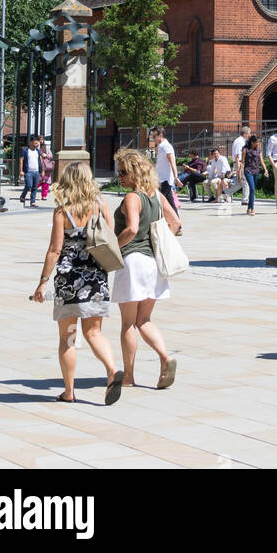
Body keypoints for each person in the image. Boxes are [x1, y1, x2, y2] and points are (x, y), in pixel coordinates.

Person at [31, 161, 122, 405]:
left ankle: (69, 391)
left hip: (69, 280)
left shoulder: (62, 211)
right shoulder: (100, 205)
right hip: (96, 276)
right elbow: (109, 237)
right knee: (94, 332)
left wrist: (42, 283)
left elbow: (54, 249)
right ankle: (112, 369)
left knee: (68, 337)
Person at [112, 149, 181, 390]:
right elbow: (176, 222)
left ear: (134, 172)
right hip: (154, 263)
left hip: (132, 261)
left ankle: (129, 376)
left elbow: (131, 229)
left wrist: (111, 248)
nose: (119, 177)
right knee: (145, 320)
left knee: (128, 324)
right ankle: (165, 356)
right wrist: (159, 240)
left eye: (122, 172)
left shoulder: (133, 197)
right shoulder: (157, 196)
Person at [151, 126, 182, 208]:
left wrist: (176, 177)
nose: (153, 138)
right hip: (160, 180)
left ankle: (175, 220)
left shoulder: (166, 146)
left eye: (154, 136)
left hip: (165, 181)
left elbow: (172, 162)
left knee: (165, 205)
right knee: (165, 205)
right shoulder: (161, 146)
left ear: (160, 135)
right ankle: (173, 219)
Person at [241, 135, 268, 215]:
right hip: (248, 171)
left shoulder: (258, 150)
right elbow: (242, 162)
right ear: (252, 142)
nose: (258, 144)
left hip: (256, 171)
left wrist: (265, 169)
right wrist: (239, 173)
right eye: (257, 142)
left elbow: (261, 161)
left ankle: (249, 207)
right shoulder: (245, 150)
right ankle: (252, 208)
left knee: (252, 190)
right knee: (252, 189)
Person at [231, 125, 251, 210]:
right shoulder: (240, 141)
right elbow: (237, 155)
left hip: (240, 163)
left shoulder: (240, 141)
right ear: (245, 133)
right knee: (245, 181)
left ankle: (225, 192)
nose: (250, 135)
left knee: (240, 182)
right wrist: (239, 166)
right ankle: (245, 200)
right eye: (249, 133)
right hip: (240, 163)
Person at [20, 135, 42, 207]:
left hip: (36, 171)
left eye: (37, 143)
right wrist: (21, 170)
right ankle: (23, 196)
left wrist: (42, 170)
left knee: (35, 187)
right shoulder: (25, 150)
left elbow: (40, 161)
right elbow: (21, 160)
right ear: (31, 143)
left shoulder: (38, 151)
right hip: (28, 171)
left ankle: (32, 201)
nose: (36, 145)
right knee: (29, 185)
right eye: (35, 143)